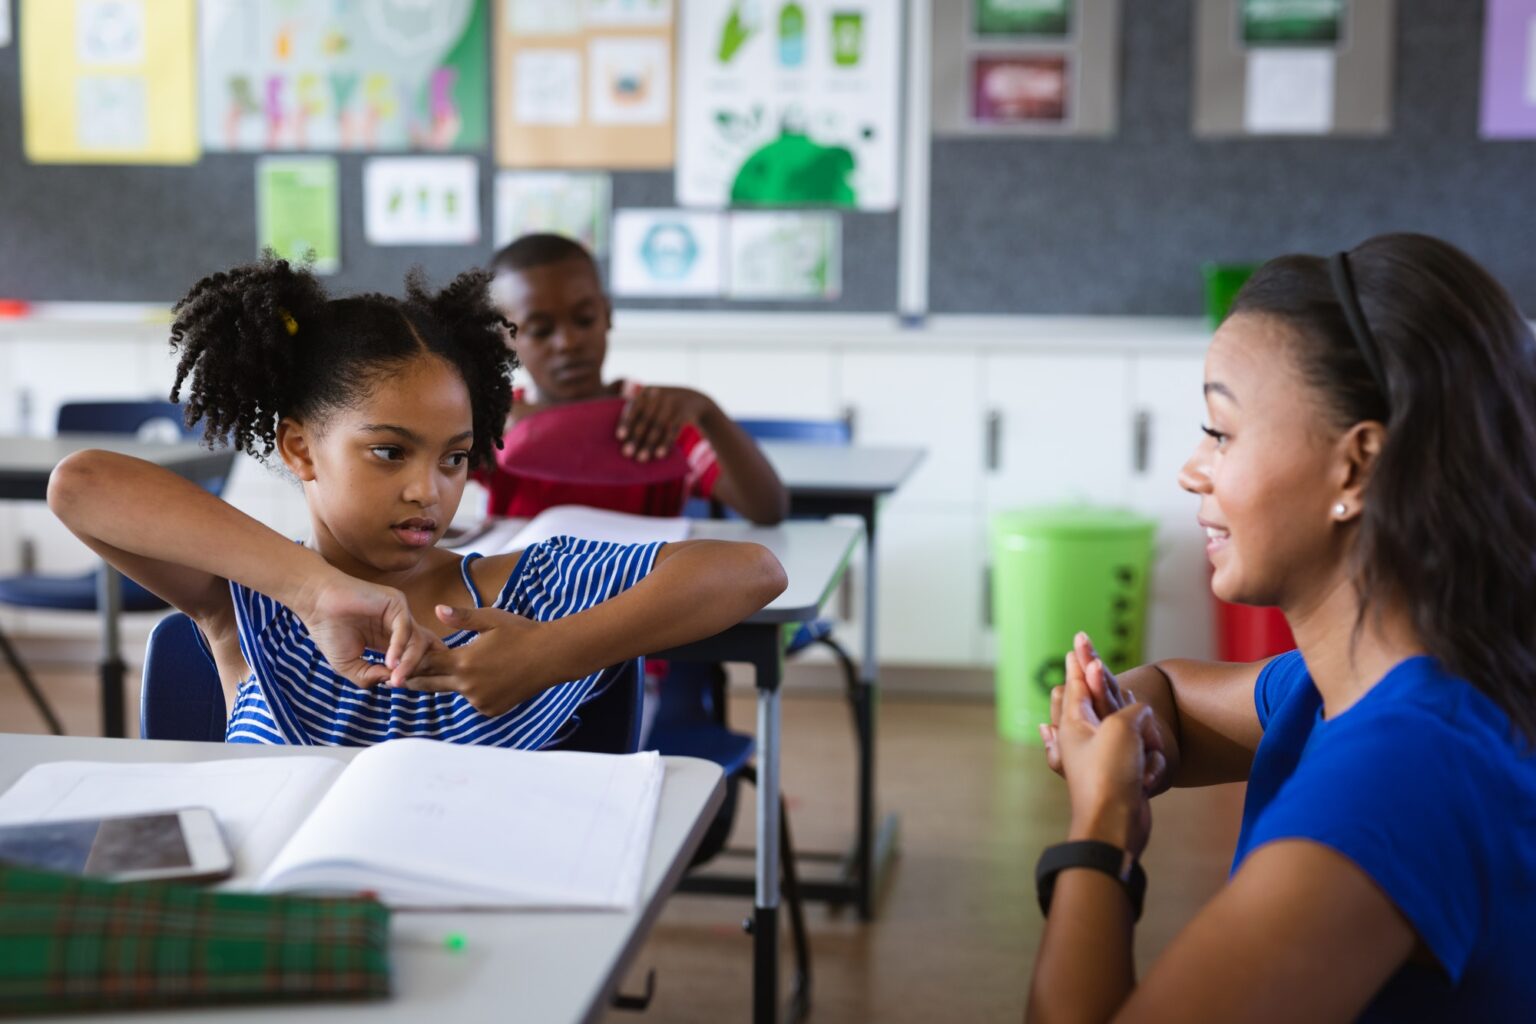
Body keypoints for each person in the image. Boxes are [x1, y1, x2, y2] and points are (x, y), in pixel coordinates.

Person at [1030, 233, 1536, 1022]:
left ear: (1358, 467)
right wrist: (1117, 714)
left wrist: (1100, 828)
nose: (1191, 469)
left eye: (1221, 432)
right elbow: (1175, 695)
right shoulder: (1378, 680)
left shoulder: (1402, 777)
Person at [46, 255, 787, 747]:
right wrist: (318, 591)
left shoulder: (522, 594)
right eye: (389, 452)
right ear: (301, 448)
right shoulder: (253, 599)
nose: (426, 490)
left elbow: (752, 569)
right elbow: (81, 485)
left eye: (455, 459)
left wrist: (544, 655)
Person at [481, 233, 788, 524]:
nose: (568, 342)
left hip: (649, 580)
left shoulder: (655, 416)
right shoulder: (496, 420)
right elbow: (434, 485)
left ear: (607, 314)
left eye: (585, 319)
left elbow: (767, 509)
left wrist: (708, 411)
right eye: (541, 330)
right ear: (503, 339)